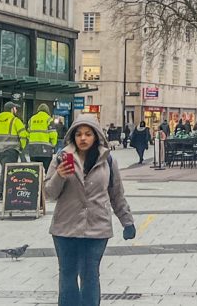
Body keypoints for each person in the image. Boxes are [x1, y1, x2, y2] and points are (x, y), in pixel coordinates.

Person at [45, 116, 135, 306]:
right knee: (68, 276)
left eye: (88, 134)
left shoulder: (108, 160)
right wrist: (59, 176)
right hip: (65, 228)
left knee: (90, 275)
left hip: (97, 228)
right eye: (78, 134)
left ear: (96, 136)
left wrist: (127, 222)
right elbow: (49, 194)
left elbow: (116, 193)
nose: (83, 138)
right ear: (73, 136)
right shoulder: (61, 158)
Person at [0, 101, 30, 203]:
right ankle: (0, 194)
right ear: (12, 109)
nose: (16, 110)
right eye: (15, 108)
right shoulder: (15, 120)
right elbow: (23, 135)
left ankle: (6, 192)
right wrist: (22, 147)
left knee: (6, 170)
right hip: (11, 150)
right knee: (6, 171)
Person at [28, 104, 58, 176]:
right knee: (48, 171)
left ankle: (36, 185)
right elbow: (53, 134)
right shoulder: (49, 119)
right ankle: (47, 186)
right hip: (45, 150)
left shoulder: (31, 119)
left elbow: (28, 133)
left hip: (33, 149)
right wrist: (53, 145)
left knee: (35, 171)